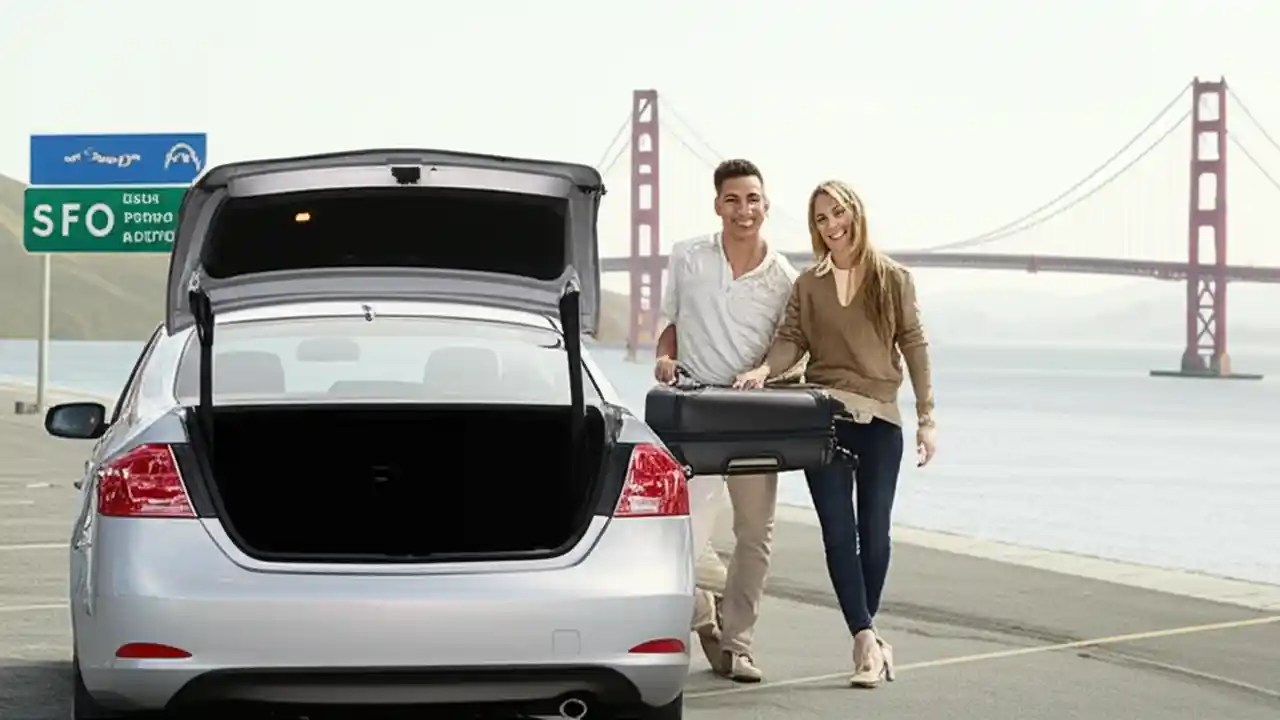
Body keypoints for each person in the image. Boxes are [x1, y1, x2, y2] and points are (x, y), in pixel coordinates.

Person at [734, 179, 937, 689]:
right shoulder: (809, 285)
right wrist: (764, 370)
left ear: (856, 213)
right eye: (821, 219)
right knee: (837, 535)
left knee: (874, 533)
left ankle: (867, 635)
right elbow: (792, 338)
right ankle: (866, 639)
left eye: (838, 213)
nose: (831, 226)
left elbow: (913, 346)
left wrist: (928, 417)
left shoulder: (893, 279)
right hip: (823, 416)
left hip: (881, 420)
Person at [654, 158, 799, 683]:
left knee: (754, 536)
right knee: (675, 539)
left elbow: (792, 347)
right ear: (718, 204)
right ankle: (701, 616)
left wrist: (765, 370)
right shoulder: (687, 258)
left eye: (753, 199)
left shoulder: (784, 277)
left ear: (766, 205)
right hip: (694, 415)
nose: (744, 210)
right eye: (733, 199)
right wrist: (664, 357)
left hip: (754, 417)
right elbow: (670, 324)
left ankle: (737, 644)